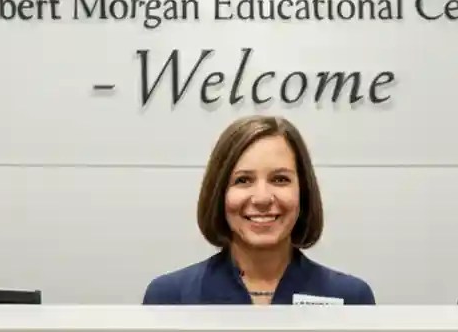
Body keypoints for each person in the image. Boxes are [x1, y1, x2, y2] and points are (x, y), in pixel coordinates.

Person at [142, 115, 376, 305]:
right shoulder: (170, 297)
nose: (262, 198)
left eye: (280, 179)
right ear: (219, 193)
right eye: (243, 180)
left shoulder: (351, 298)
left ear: (303, 191)